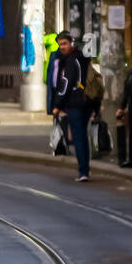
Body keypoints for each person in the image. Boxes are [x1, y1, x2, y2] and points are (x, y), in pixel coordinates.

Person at [49, 31, 90, 181]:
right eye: (60, 45)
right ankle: (85, 168)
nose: (62, 47)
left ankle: (83, 171)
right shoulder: (81, 57)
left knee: (78, 136)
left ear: (71, 43)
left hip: (75, 102)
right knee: (82, 136)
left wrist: (57, 105)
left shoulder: (72, 60)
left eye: (65, 44)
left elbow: (66, 83)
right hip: (84, 101)